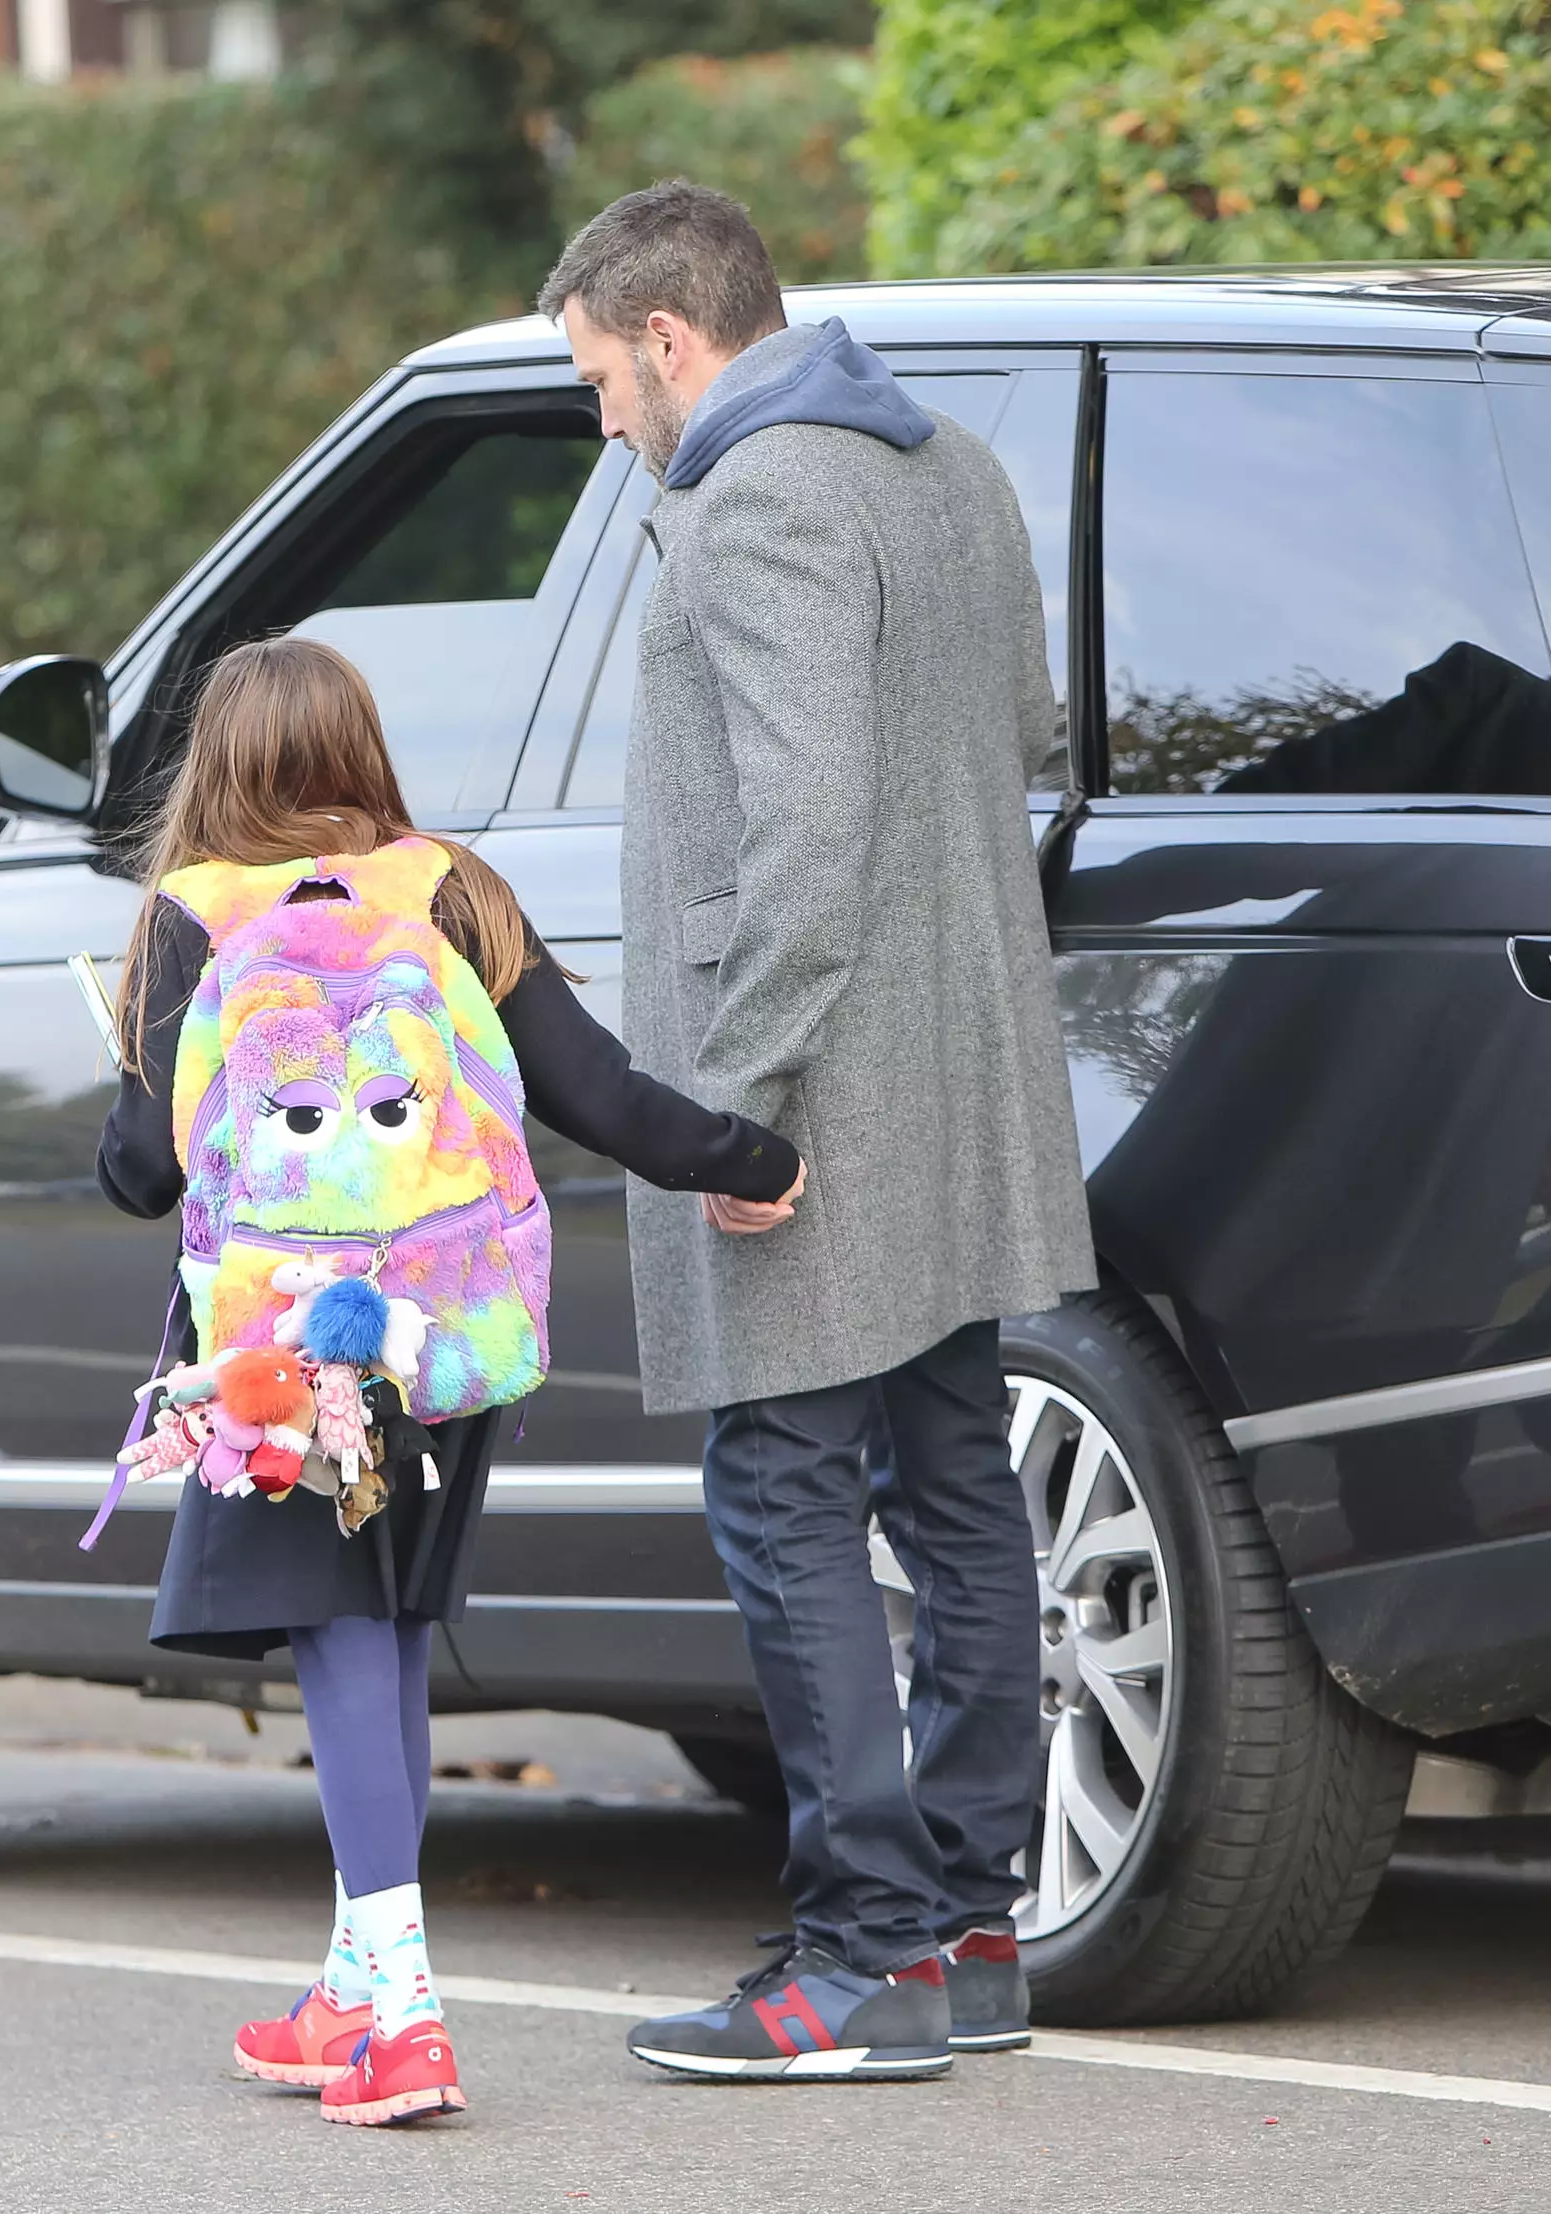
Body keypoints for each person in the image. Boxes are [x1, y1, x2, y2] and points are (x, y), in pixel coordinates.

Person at [537, 182, 1097, 2080]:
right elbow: (1023, 726)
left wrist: (734, 1113)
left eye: (605, 379)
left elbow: (805, 825)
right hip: (959, 1072)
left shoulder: (758, 494)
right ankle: (966, 1929)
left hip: (815, 1098)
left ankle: (857, 1960)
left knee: (783, 1494)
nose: (607, 419)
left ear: (674, 342)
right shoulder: (950, 466)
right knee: (952, 1489)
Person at [96, 634, 803, 2125]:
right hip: (444, 1335)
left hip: (286, 1353)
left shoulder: (194, 912)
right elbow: (595, 1089)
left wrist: (127, 1097)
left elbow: (145, 1171)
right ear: (361, 748)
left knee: (342, 1637)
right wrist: (747, 1159)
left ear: (216, 765)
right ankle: (354, 1979)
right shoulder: (448, 887)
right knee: (392, 1628)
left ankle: (404, 2015)